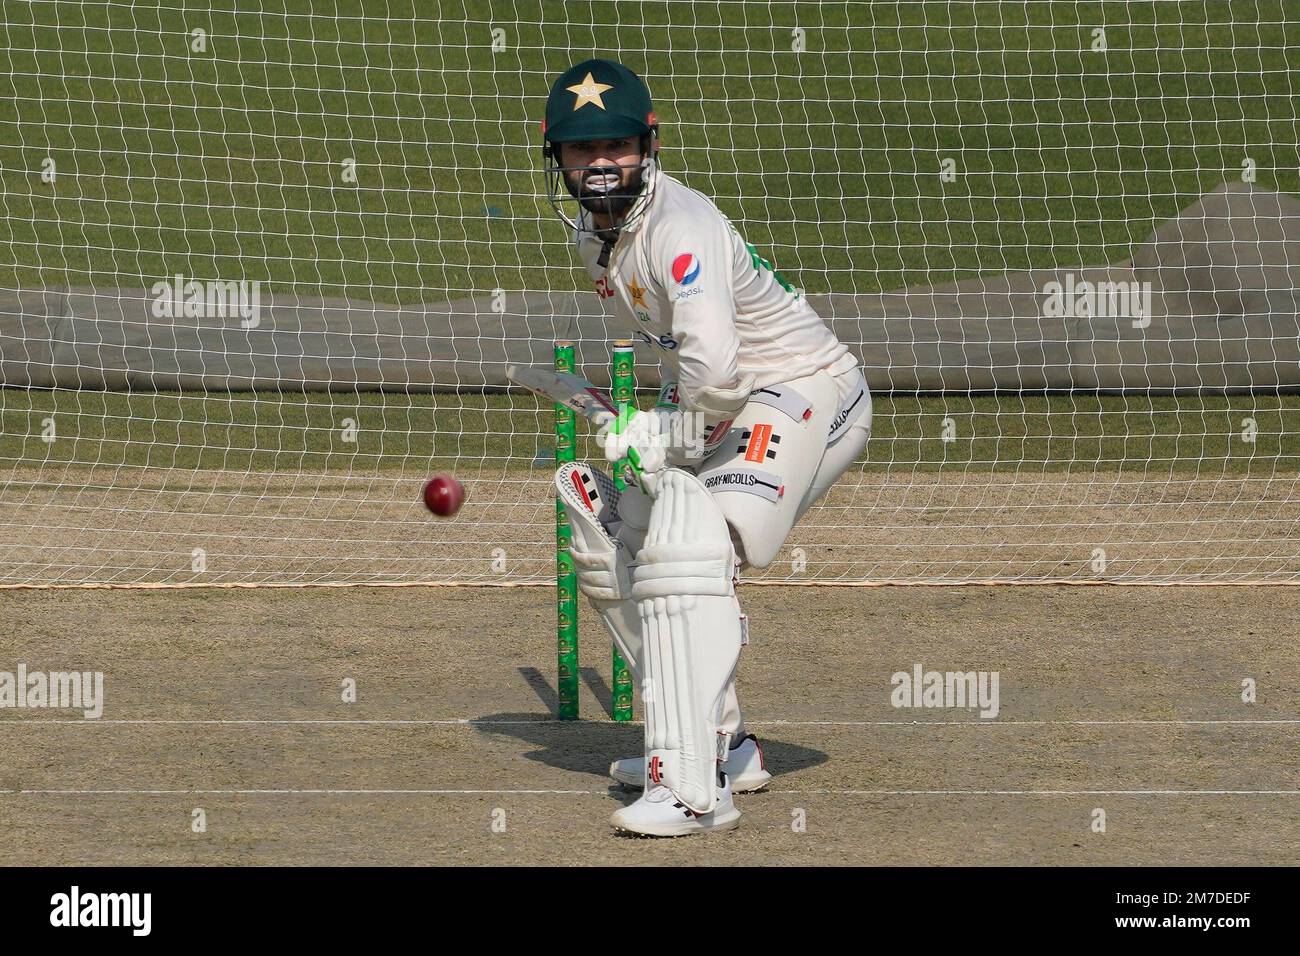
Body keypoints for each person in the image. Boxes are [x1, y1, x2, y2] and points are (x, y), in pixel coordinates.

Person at [542, 58, 871, 836]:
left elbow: (719, 373)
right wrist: (644, 427)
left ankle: (694, 792)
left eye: (616, 145)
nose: (600, 164)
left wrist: (667, 431)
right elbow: (680, 360)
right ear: (557, 157)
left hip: (805, 389)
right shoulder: (596, 238)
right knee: (614, 532)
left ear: (649, 144)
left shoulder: (679, 229)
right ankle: (721, 744)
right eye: (582, 149)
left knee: (690, 548)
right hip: (725, 401)